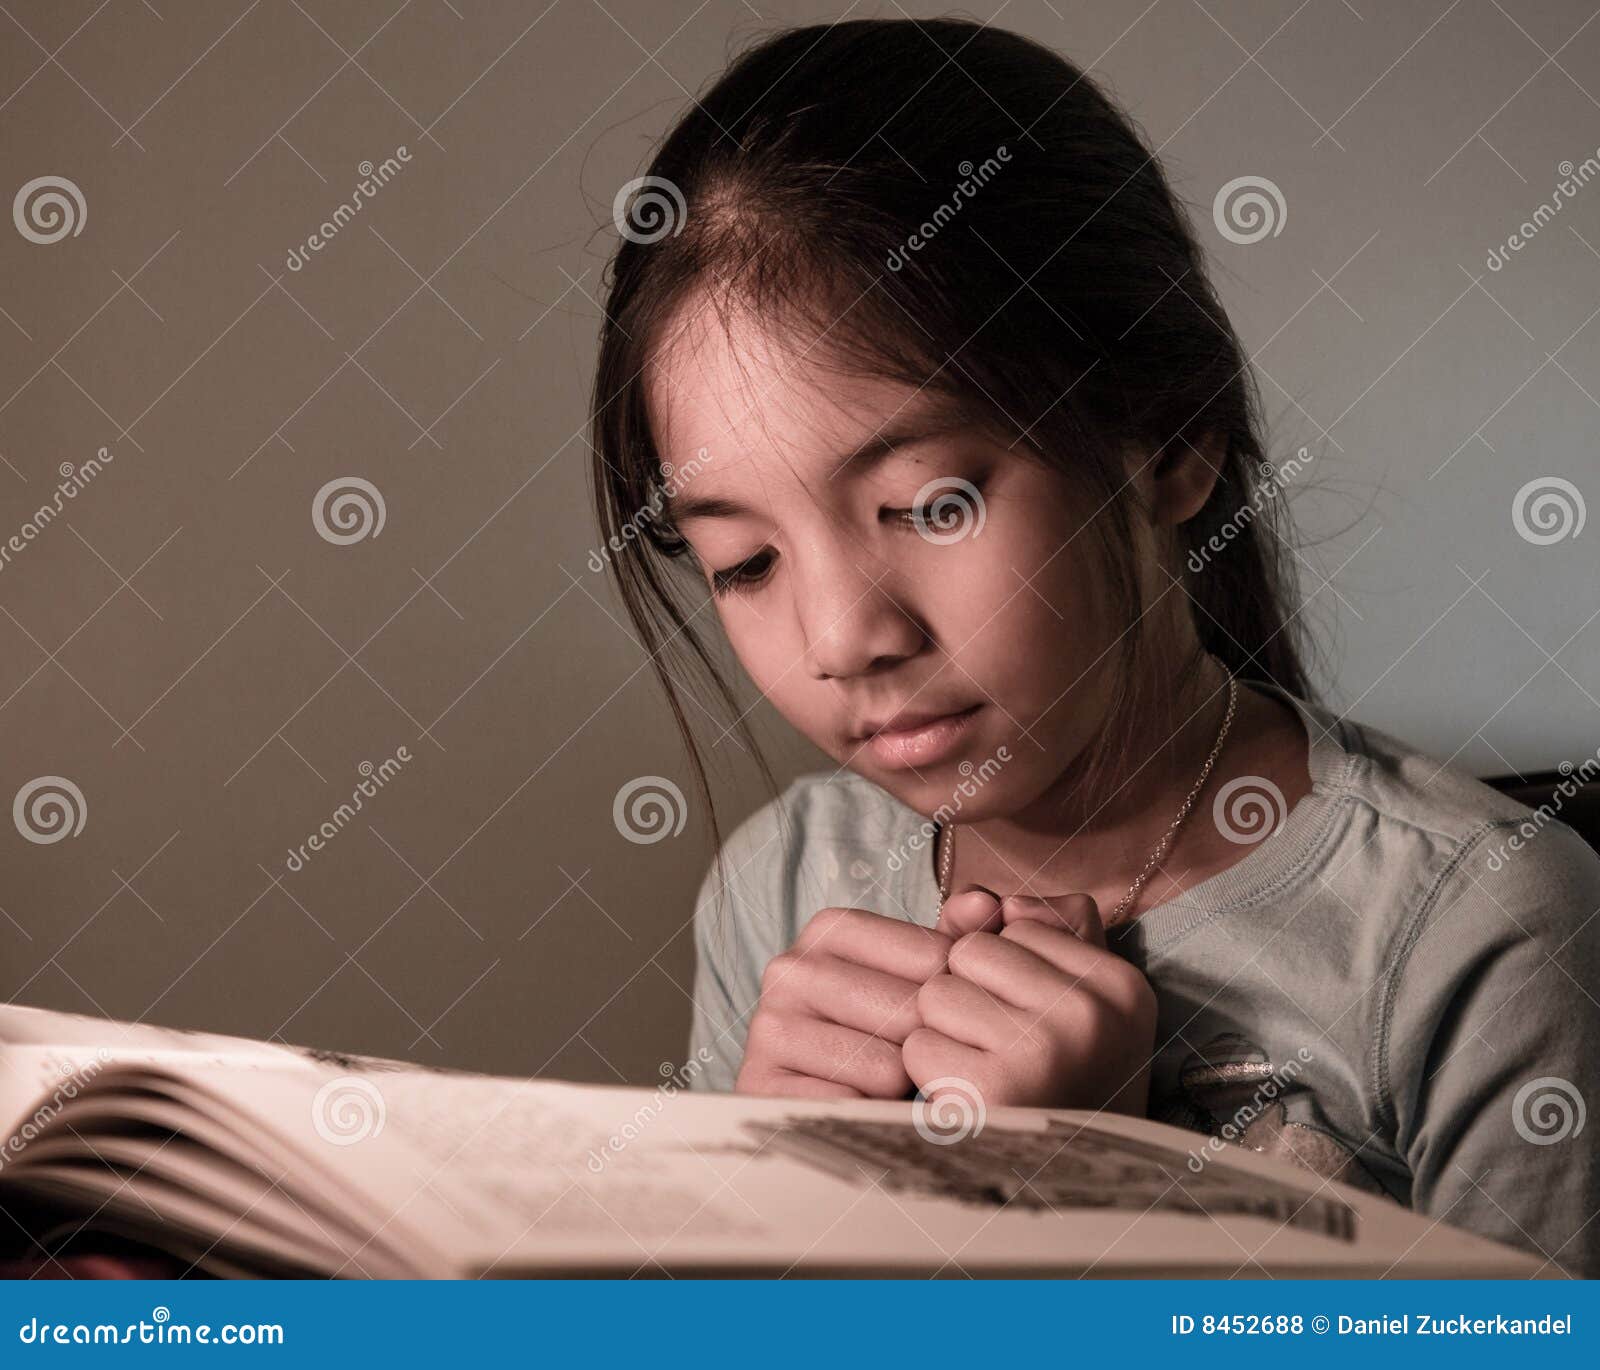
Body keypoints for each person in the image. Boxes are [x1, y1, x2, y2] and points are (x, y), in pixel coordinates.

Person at [587, 18, 1600, 1277]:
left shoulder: (1483, 933)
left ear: (1171, 442)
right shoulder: (780, 892)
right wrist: (781, 1212)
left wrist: (1114, 1198)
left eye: (933, 504)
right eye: (744, 562)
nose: (843, 636)